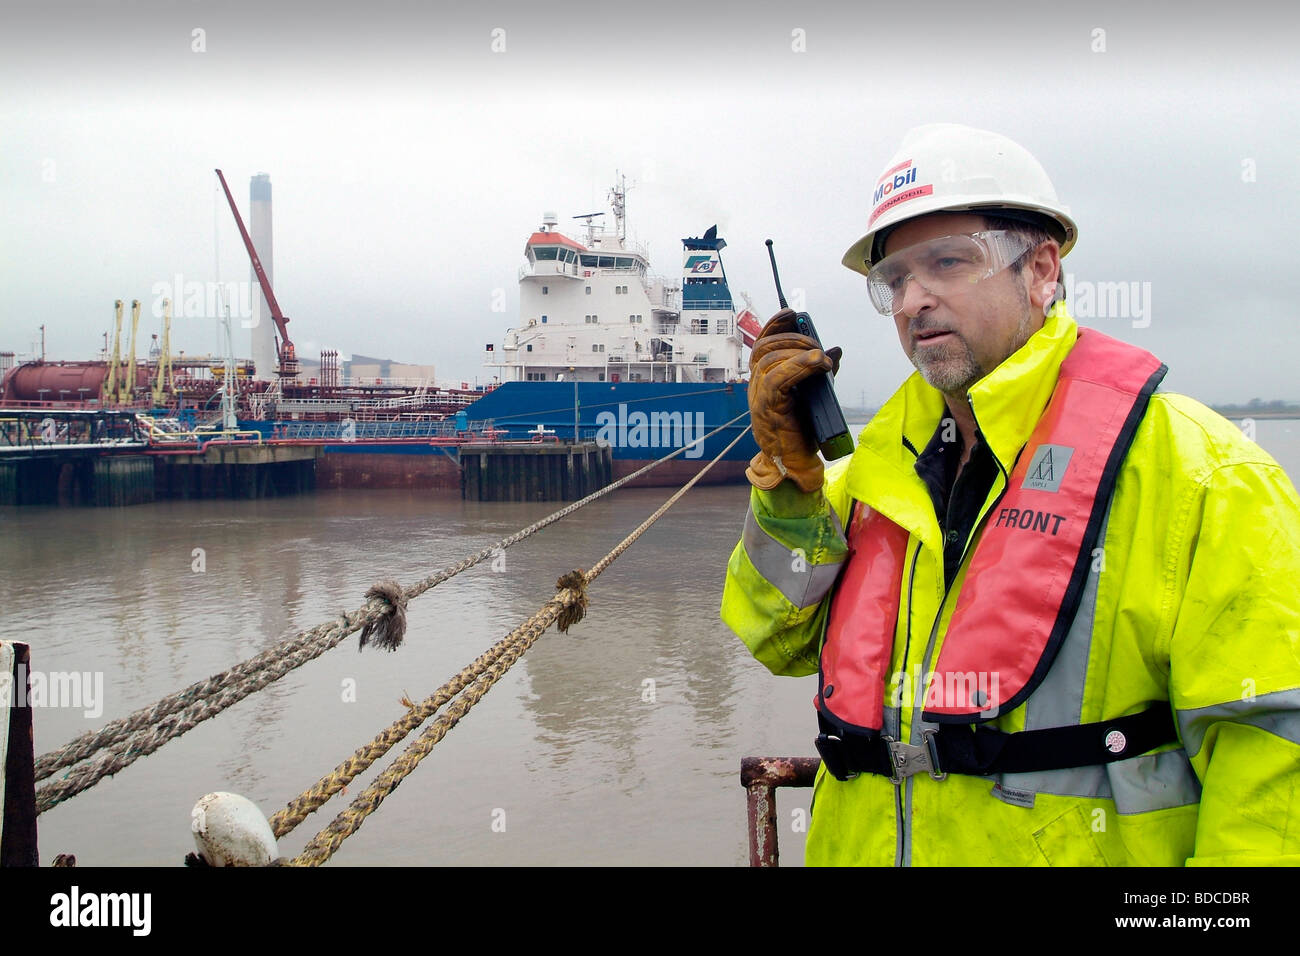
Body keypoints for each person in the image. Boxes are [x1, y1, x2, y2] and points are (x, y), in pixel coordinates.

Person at [721, 123, 1300, 866]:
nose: (913, 300)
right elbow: (777, 641)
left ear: (1042, 269)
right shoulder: (870, 478)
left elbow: (1274, 760)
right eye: (894, 279)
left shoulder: (1204, 475)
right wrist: (793, 490)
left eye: (948, 263)